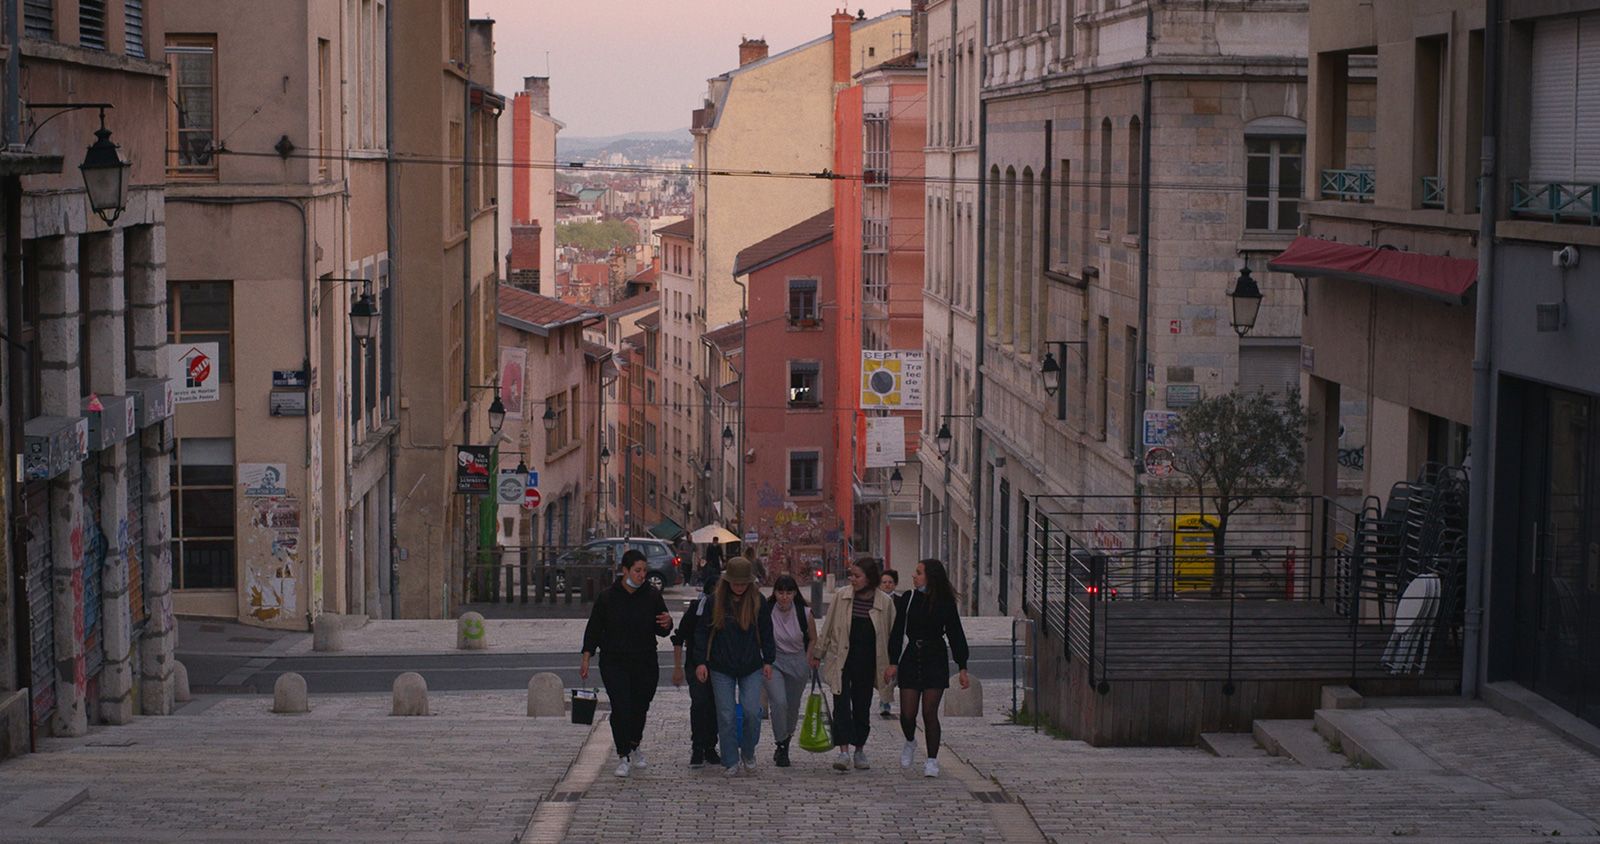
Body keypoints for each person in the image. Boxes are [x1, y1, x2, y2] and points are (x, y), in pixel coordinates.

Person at [581, 549, 674, 778]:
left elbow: (663, 629)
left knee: (640, 707)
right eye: (637, 570)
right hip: (614, 661)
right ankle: (623, 755)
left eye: (644, 570)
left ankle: (634, 744)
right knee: (621, 707)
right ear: (625, 571)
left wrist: (667, 623)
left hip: (645, 661)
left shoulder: (652, 595)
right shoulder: (607, 597)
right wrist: (586, 656)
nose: (642, 575)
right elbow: (594, 629)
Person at [809, 557, 896, 772]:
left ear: (870, 578)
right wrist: (818, 653)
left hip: (867, 662)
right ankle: (843, 751)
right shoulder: (842, 596)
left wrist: (893, 663)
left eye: (857, 576)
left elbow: (892, 635)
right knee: (841, 705)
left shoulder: (884, 602)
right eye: (851, 575)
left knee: (861, 705)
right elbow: (828, 627)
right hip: (841, 660)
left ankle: (859, 749)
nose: (852, 579)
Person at [888, 558, 970, 779]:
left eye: (919, 572)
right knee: (907, 713)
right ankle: (910, 741)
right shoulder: (908, 598)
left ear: (930, 577)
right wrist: (893, 662)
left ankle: (932, 759)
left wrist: (962, 666)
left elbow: (955, 633)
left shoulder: (944, 602)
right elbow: (897, 632)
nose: (914, 576)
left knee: (929, 712)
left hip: (935, 656)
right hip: (912, 656)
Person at [694, 556, 775, 777]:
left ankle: (748, 752)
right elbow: (701, 633)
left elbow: (767, 633)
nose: (739, 587)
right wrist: (701, 661)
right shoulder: (714, 601)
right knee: (726, 715)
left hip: (751, 665)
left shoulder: (758, 601)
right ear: (727, 581)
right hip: (721, 665)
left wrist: (769, 660)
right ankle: (730, 759)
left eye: (743, 583)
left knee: (752, 712)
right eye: (735, 583)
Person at [761, 574, 818, 768]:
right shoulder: (767, 610)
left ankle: (785, 742)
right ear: (774, 592)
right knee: (779, 702)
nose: (784, 597)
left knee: (792, 707)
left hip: (797, 662)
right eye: (780, 592)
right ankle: (781, 744)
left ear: (795, 593)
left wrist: (808, 658)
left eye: (789, 593)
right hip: (774, 660)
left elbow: (812, 638)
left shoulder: (804, 612)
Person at [670, 579, 721, 769]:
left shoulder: (727, 609)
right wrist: (677, 668)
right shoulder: (696, 610)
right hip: (696, 663)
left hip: (718, 664)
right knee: (700, 703)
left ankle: (710, 746)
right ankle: (698, 747)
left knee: (716, 704)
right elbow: (679, 637)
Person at [877, 568, 900, 720]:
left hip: (896, 640)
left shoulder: (900, 601)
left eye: (890, 582)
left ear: (895, 584)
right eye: (884, 582)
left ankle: (886, 699)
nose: (887, 585)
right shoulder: (875, 601)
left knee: (894, 673)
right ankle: (884, 700)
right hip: (879, 641)